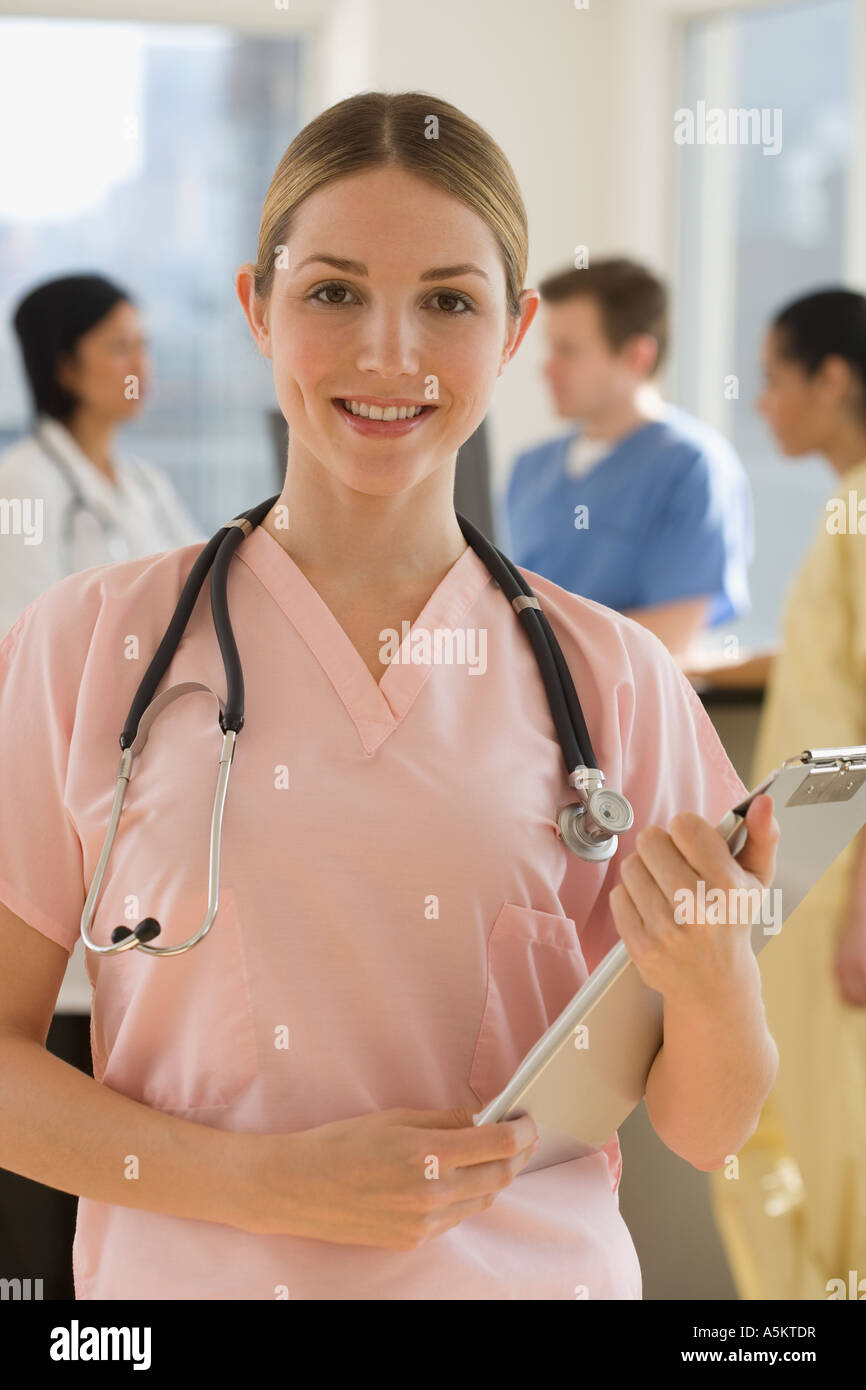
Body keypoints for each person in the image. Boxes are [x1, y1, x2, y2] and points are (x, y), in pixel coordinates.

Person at [0, 90, 779, 1301]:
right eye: (332, 292)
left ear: (512, 330)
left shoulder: (613, 679)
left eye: (448, 303)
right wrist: (261, 1185)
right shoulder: (87, 644)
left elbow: (706, 1127)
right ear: (259, 307)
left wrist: (717, 981)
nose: (388, 354)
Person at [709, 288, 866, 1300]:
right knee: (772, 1130)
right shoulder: (843, 506)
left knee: (823, 1143)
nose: (760, 405)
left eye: (773, 379)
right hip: (811, 882)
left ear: (832, 379)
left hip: (840, 890)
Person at [503, 259, 754, 660]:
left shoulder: (691, 468)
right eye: (549, 347)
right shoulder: (531, 468)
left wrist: (533, 654)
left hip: (627, 713)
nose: (546, 368)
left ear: (637, 356)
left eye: (568, 351)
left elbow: (670, 638)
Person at [0, 273, 205, 639]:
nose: (141, 367)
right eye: (120, 348)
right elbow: (17, 634)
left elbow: (208, 586)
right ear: (66, 368)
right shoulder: (21, 482)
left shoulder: (145, 483)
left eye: (143, 346)